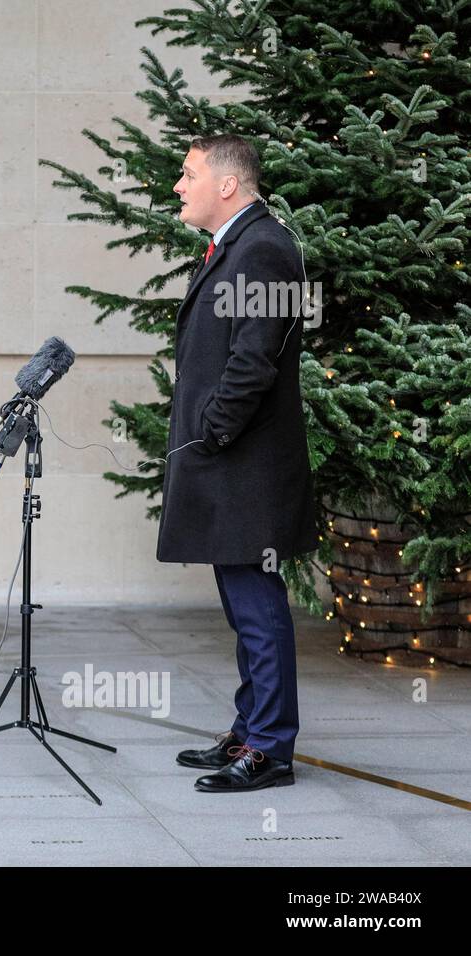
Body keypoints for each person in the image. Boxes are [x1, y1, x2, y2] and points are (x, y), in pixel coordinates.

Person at [157, 134, 318, 792]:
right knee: (243, 606)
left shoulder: (264, 249)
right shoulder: (240, 245)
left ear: (227, 185)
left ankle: (271, 748)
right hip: (232, 465)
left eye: (189, 174)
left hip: (246, 467)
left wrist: (212, 433)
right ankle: (251, 728)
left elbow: (253, 361)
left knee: (258, 608)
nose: (178, 186)